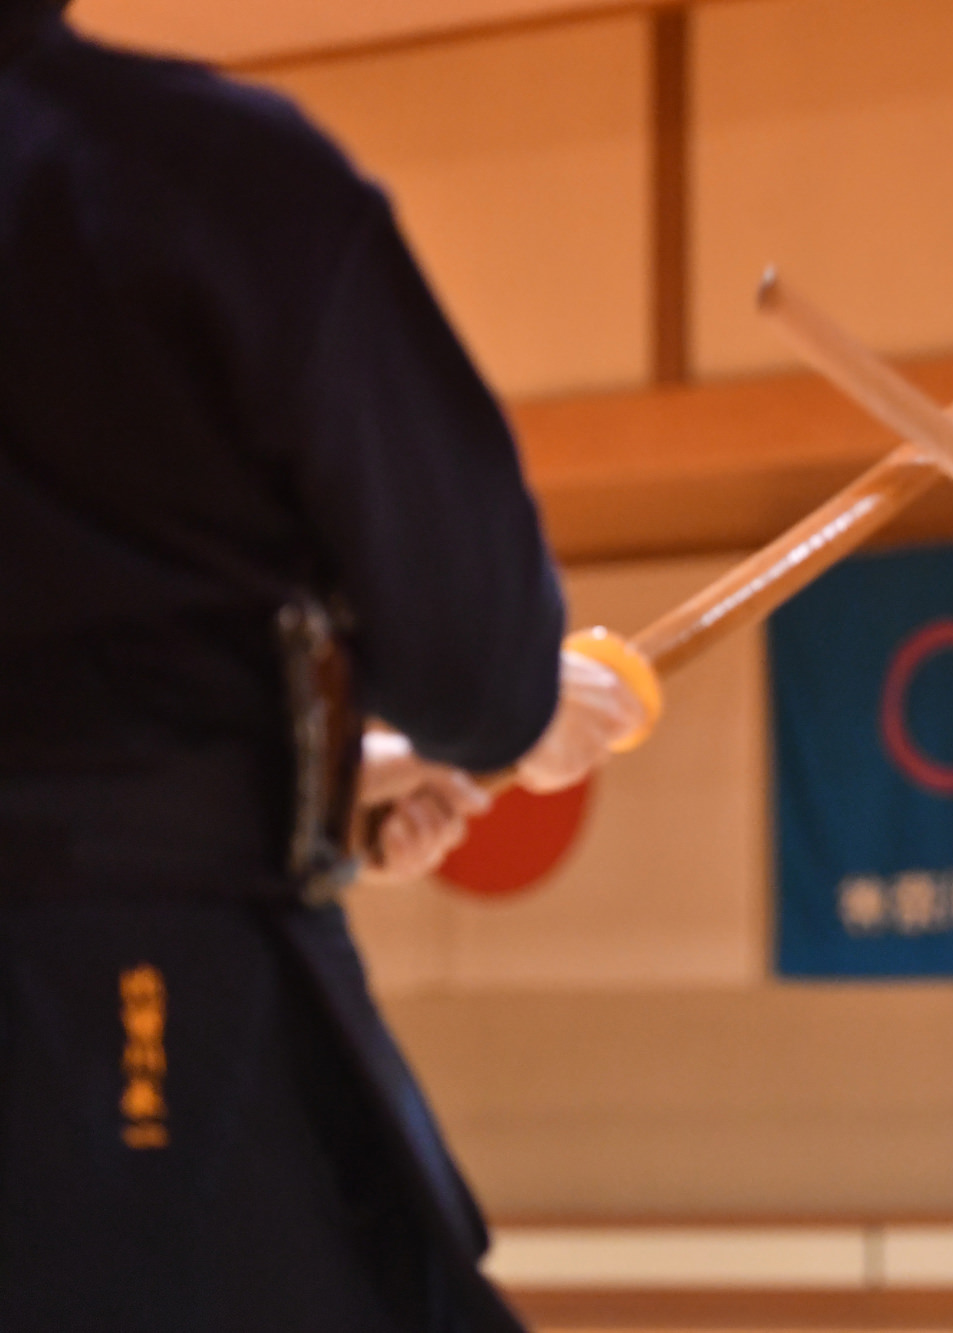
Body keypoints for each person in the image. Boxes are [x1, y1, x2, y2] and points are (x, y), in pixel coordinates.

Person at [0, 1, 644, 1328]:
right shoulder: (201, 181)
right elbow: (473, 661)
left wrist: (319, 787)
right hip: (130, 988)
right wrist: (514, 710)